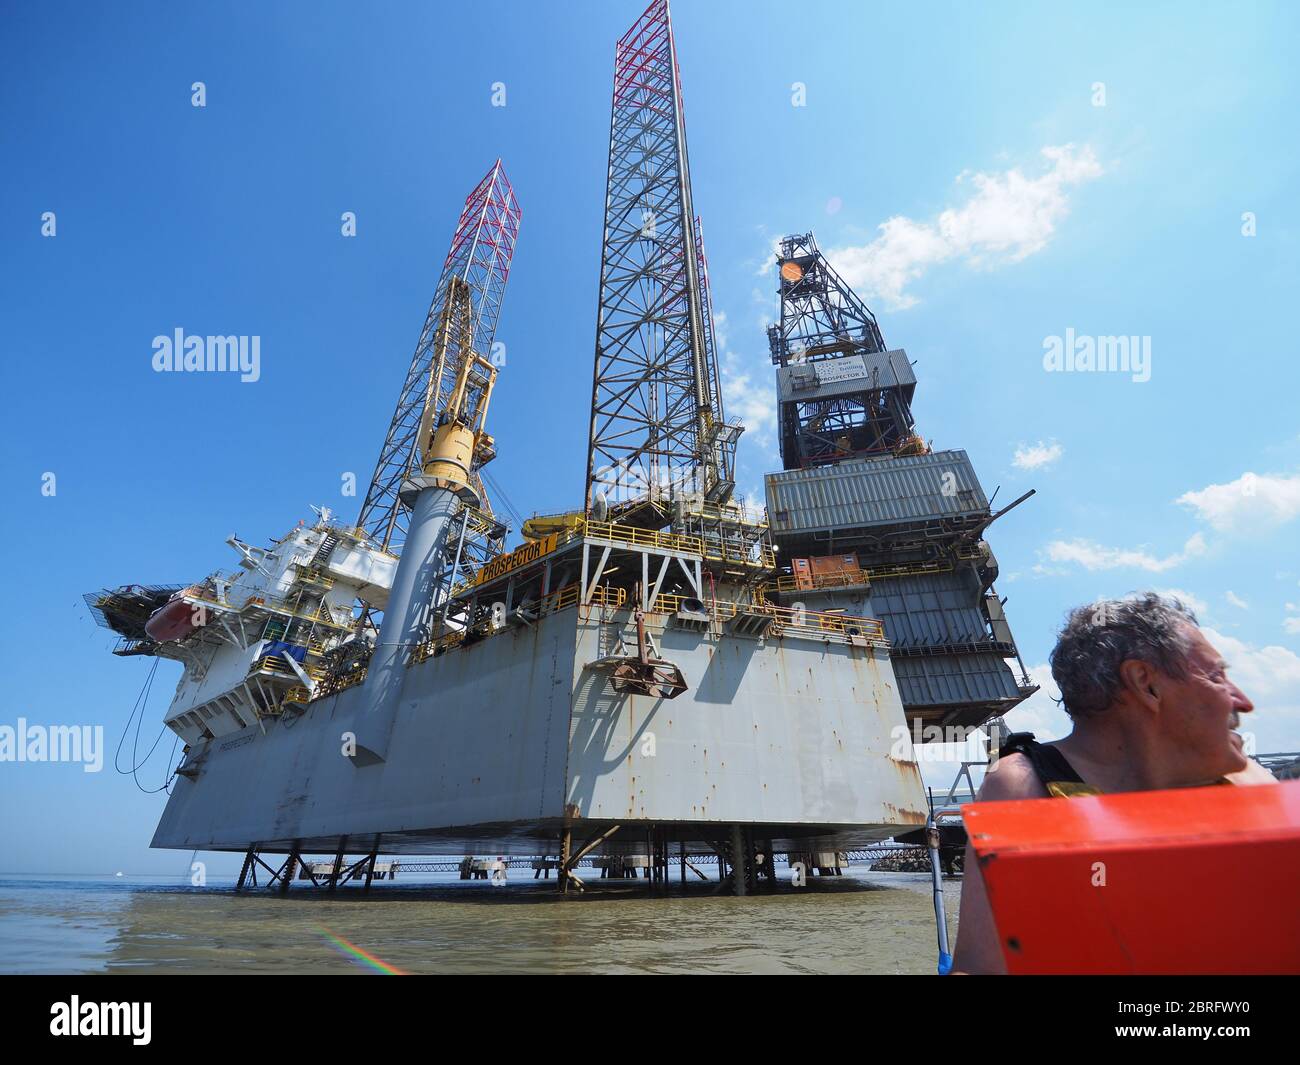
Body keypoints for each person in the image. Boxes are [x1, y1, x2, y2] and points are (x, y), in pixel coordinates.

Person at [952, 593, 1275, 974]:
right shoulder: (1027, 789)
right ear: (1145, 684)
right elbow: (981, 968)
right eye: (1217, 676)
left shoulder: (1248, 783)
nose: (1243, 701)